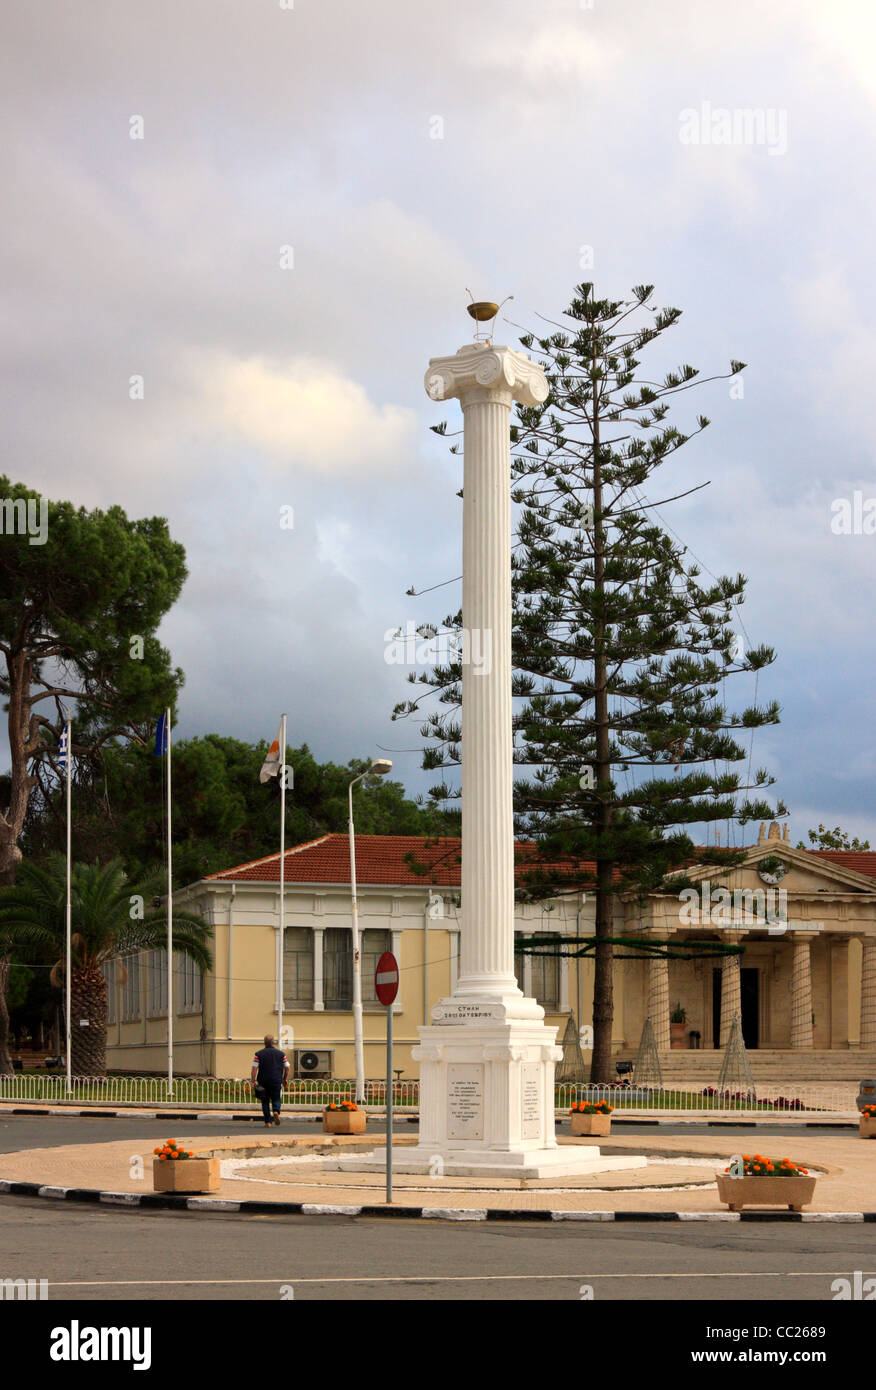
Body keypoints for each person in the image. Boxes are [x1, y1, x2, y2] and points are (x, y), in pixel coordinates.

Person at [251, 1034, 290, 1127]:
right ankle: (276, 1111)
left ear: (264, 1043)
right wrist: (284, 1079)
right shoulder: (281, 1054)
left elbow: (254, 1068)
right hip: (276, 1080)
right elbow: (287, 1067)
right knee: (276, 1098)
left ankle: (268, 1122)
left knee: (265, 1101)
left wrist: (253, 1081)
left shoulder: (258, 1054)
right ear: (273, 1042)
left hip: (263, 1081)